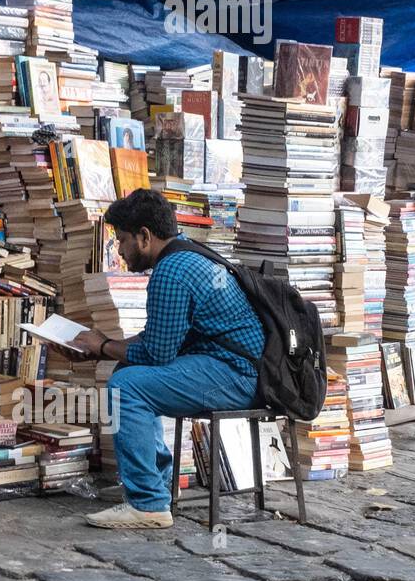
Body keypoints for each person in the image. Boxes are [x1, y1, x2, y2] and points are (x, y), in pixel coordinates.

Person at [65, 188, 265, 529]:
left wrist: (102, 346)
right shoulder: (189, 255)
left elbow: (157, 354)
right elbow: (158, 340)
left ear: (145, 236)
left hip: (237, 376)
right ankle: (154, 486)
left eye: (123, 240)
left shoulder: (171, 272)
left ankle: (148, 504)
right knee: (129, 370)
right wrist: (102, 347)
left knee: (125, 387)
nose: (120, 250)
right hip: (232, 367)